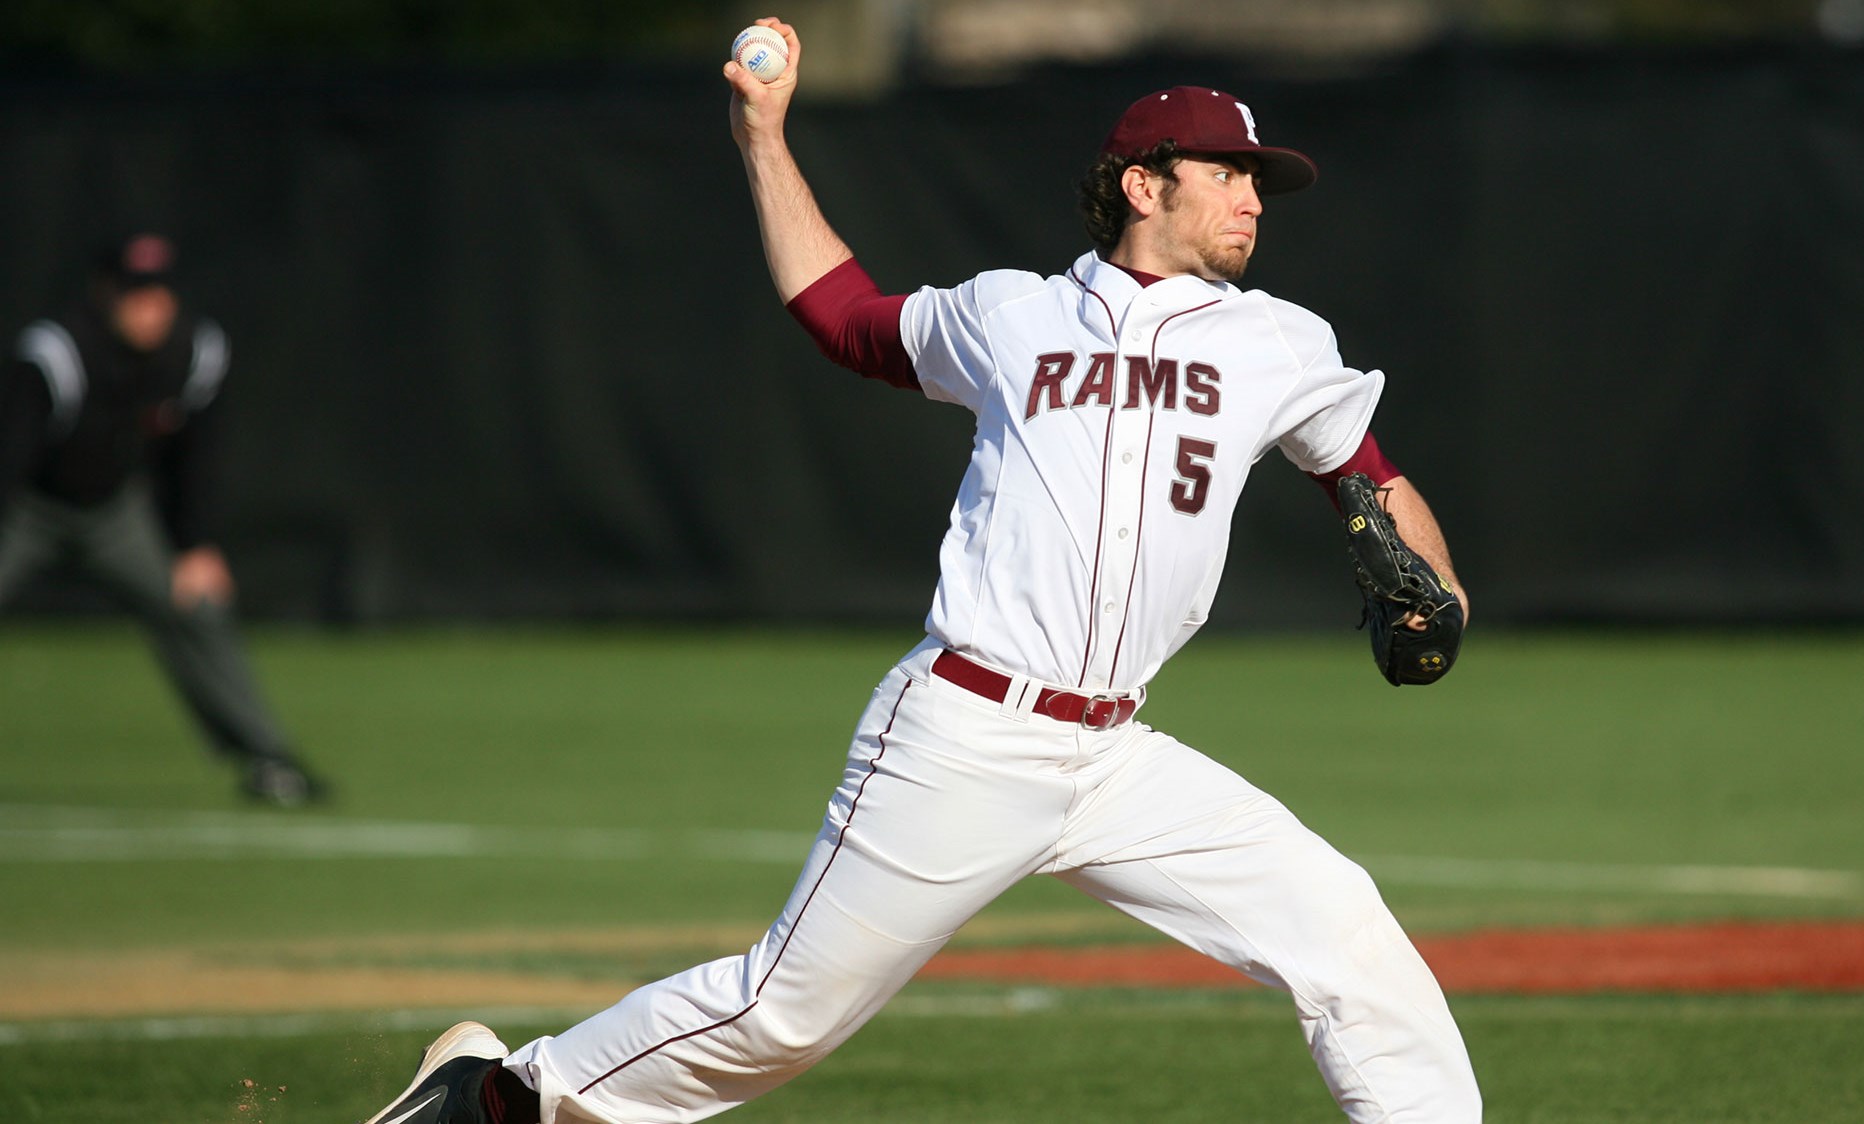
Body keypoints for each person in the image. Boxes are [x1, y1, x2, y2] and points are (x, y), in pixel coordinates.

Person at [362, 17, 1479, 1124]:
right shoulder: (1013, 313)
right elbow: (840, 315)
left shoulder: (1276, 340)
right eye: (1226, 172)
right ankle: (498, 1100)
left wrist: (1441, 585)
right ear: (1144, 185)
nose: (1250, 197)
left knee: (1340, 928)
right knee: (780, 1016)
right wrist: (763, 136)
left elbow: (1369, 477)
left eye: (1257, 179)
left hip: (1114, 755)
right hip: (968, 729)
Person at [0, 233, 328, 807]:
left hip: (114, 516)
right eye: (134, 294)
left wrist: (196, 543)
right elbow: (11, 456)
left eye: (159, 294)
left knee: (197, 605)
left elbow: (197, 458)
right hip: (27, 511)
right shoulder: (56, 353)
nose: (149, 309)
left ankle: (269, 761)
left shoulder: (194, 351)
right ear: (105, 292)